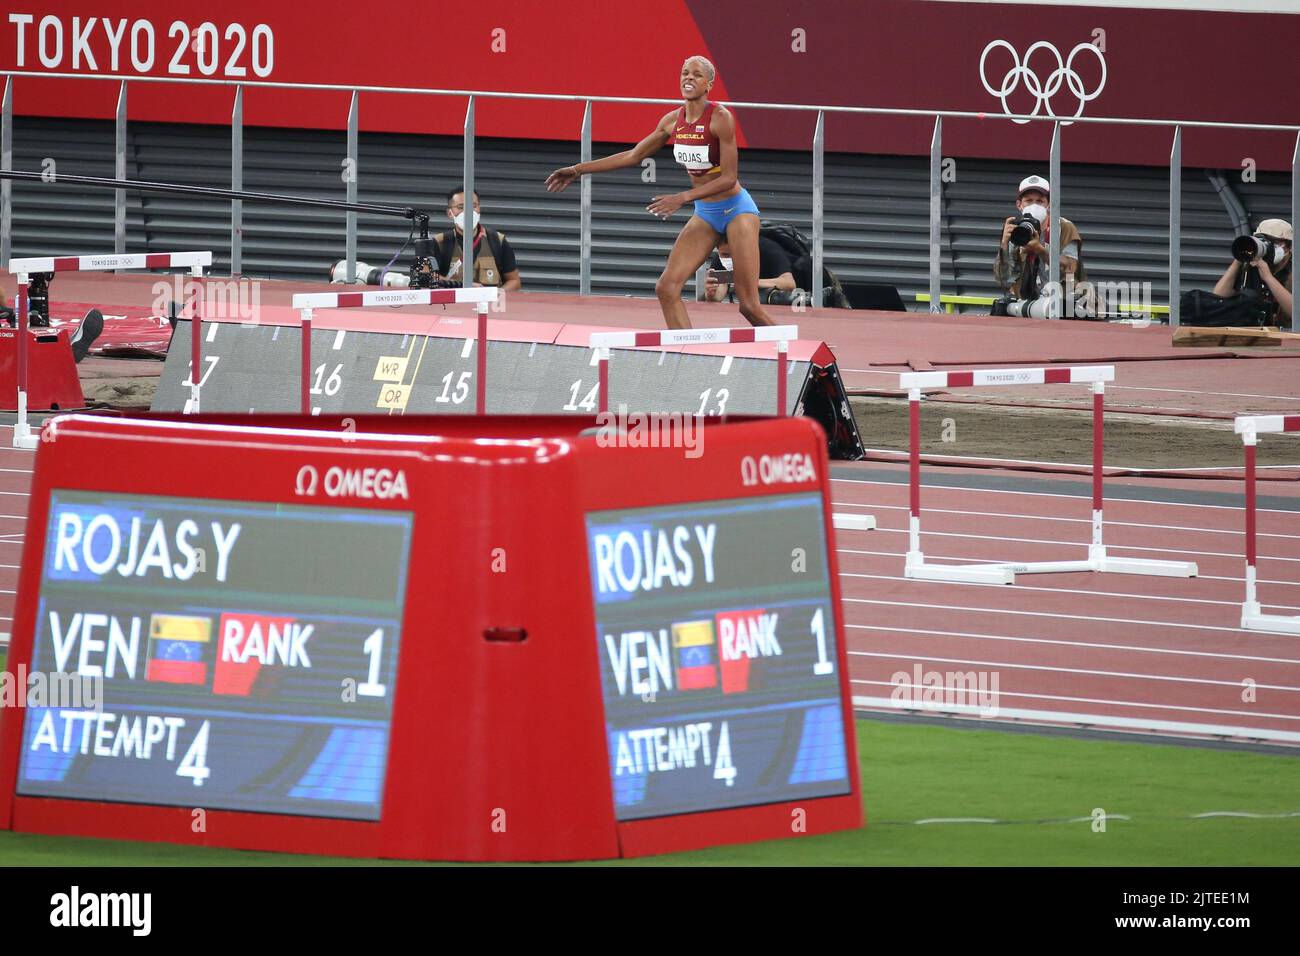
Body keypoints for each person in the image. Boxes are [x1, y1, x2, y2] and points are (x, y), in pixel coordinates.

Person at [545, 55, 776, 330]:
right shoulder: (671, 122)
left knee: (748, 306)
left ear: (708, 85)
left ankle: (795, 356)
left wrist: (682, 198)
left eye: (696, 75)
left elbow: (729, 178)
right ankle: (689, 360)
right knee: (667, 288)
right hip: (707, 214)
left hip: (736, 210)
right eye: (684, 73)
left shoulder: (720, 118)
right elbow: (633, 155)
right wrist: (578, 169)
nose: (689, 78)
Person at [992, 175, 1095, 319]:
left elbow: (1070, 269)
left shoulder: (1064, 227)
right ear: (1019, 205)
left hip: (1063, 301)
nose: (1034, 205)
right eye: (1028, 201)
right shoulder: (1016, 229)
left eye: (1040, 201)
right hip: (1028, 301)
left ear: (1049, 204)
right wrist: (1004, 245)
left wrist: (1040, 250)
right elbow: (1001, 277)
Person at [428, 188, 522, 291]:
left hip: (488, 305)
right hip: (454, 305)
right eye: (461, 207)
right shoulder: (440, 242)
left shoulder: (497, 240)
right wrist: (461, 286)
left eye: (473, 206)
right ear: (450, 213)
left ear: (479, 209)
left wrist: (498, 293)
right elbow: (427, 277)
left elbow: (514, 281)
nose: (468, 212)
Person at [1211, 218, 1292, 324]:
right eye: (1264, 240)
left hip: (1285, 336)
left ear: (1289, 246)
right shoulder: (1251, 265)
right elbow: (1218, 297)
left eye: (1274, 242)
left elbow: (1295, 312)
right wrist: (1239, 259)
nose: (1269, 246)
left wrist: (1268, 278)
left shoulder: (1294, 271)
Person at [705, 236, 797, 303]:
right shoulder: (720, 260)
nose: (731, 259)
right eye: (725, 255)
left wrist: (750, 282)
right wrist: (712, 293)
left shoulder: (768, 250)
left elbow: (789, 283)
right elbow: (721, 291)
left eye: (736, 253)